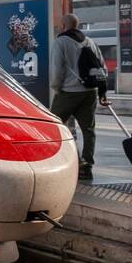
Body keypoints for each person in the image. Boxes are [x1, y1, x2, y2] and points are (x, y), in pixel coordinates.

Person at [51, 13, 109, 181]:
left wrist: (56, 88)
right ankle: (87, 165)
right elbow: (102, 68)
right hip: (90, 92)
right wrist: (102, 92)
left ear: (63, 25)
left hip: (68, 93)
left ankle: (59, 161)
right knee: (88, 130)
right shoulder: (90, 41)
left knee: (53, 126)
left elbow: (56, 70)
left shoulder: (60, 42)